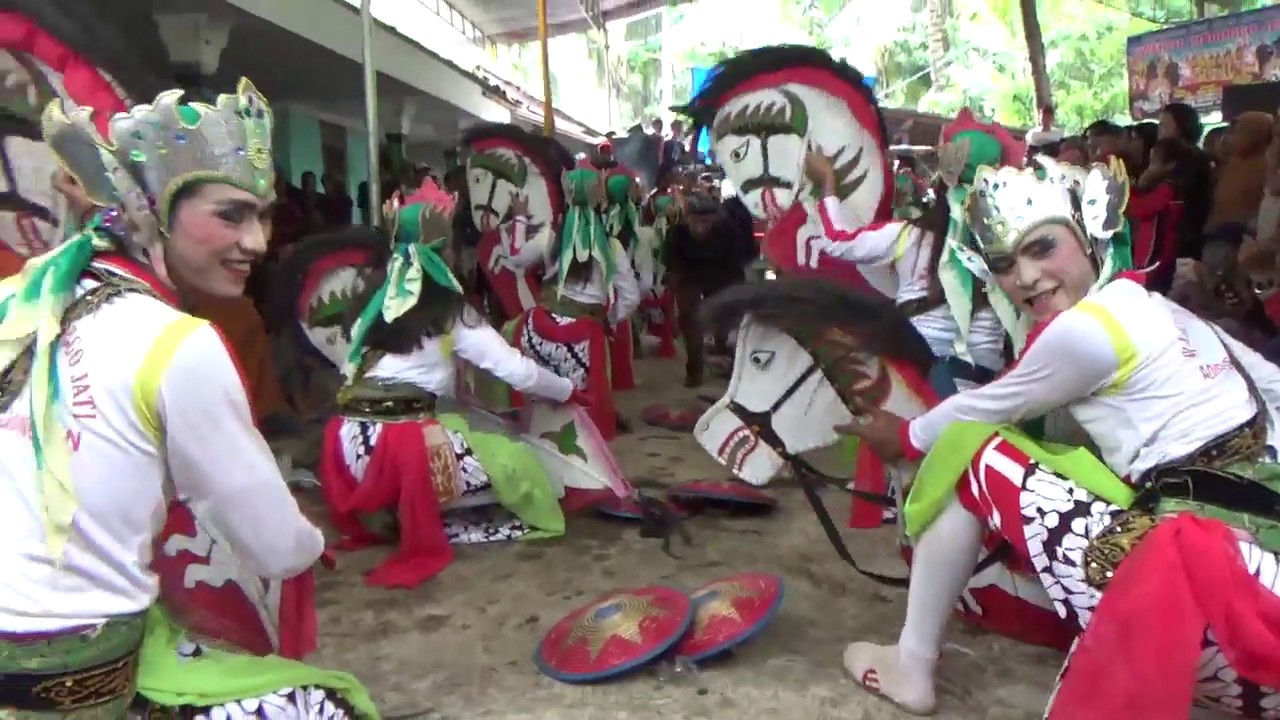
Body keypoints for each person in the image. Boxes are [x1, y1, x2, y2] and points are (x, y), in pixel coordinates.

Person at [839, 157, 1280, 718]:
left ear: (1091, 234)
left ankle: (911, 662)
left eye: (1042, 248)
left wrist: (903, 434)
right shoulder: (1169, 313)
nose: (1023, 278)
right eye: (1003, 262)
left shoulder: (1086, 329)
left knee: (970, 452)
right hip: (1262, 605)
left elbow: (983, 407)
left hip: (1233, 635)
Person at [0, 80, 376, 716]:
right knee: (324, 706)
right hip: (82, 672)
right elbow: (279, 548)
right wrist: (313, 540)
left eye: (262, 215)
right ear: (149, 211)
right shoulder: (178, 342)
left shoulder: (20, 302)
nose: (257, 241)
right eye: (230, 215)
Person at [318, 181, 590, 589]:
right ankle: (423, 513)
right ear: (441, 251)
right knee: (524, 467)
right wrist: (568, 391)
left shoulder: (368, 302)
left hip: (346, 446)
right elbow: (516, 370)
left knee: (464, 428)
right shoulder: (449, 309)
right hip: (402, 449)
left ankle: (390, 506)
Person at [506, 159, 640, 438]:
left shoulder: (549, 237)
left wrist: (519, 218)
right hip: (584, 336)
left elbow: (515, 258)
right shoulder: (611, 247)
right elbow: (630, 297)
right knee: (582, 413)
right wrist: (609, 321)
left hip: (538, 331)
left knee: (540, 400)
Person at [662, 190, 755, 386]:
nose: (700, 227)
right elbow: (672, 265)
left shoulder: (727, 231)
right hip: (690, 277)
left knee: (725, 322)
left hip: (722, 276)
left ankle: (726, 357)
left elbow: (739, 264)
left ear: (715, 219)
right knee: (689, 320)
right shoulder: (677, 233)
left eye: (706, 221)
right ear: (687, 218)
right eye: (696, 221)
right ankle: (695, 367)